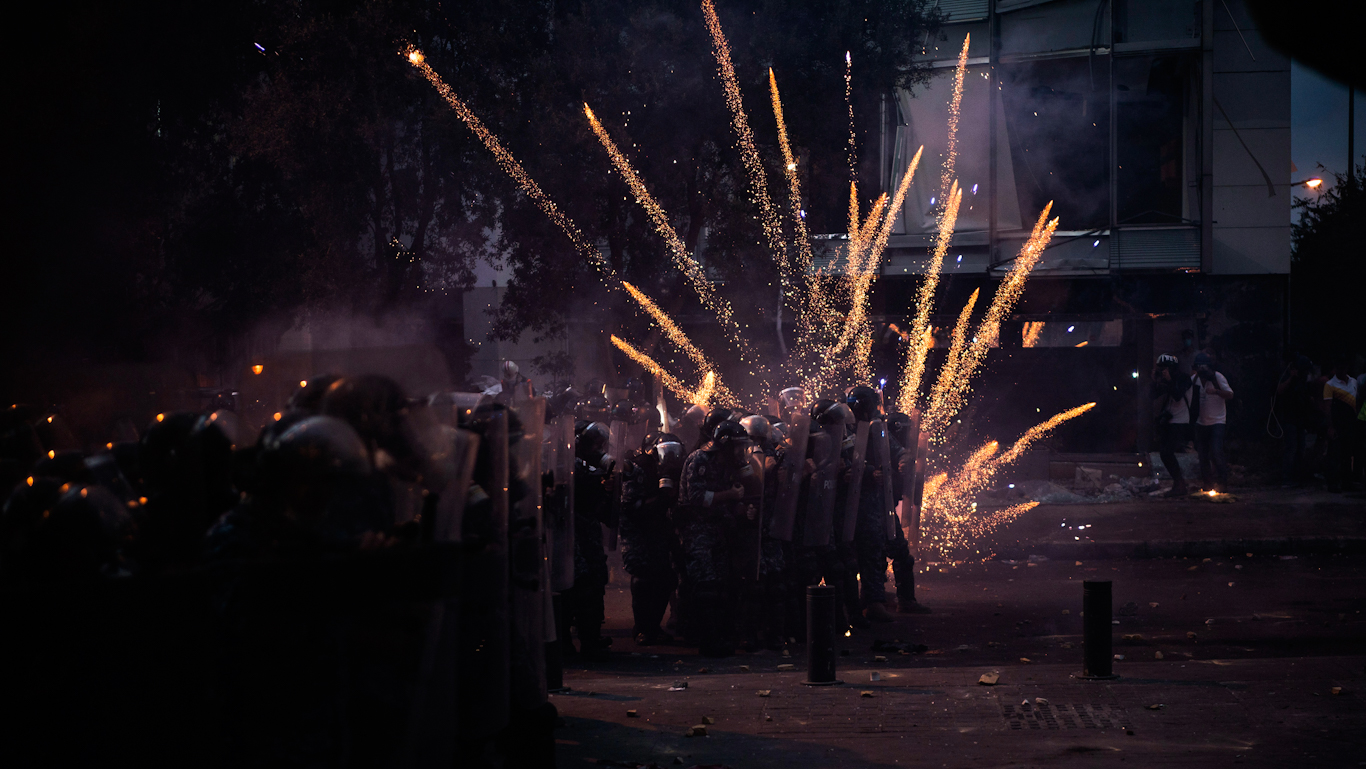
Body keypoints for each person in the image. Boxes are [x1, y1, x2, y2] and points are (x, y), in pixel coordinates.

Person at [676, 419, 753, 657]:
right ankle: (706, 640)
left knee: (722, 585)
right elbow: (696, 497)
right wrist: (729, 495)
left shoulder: (730, 464)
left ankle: (721, 636)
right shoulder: (700, 459)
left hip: (720, 529)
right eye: (738, 446)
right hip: (698, 530)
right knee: (705, 585)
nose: (741, 452)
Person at [619, 432, 684, 645]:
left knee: (666, 579)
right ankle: (642, 628)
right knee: (643, 579)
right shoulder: (640, 469)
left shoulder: (676, 470)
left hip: (660, 531)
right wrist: (659, 499)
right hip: (639, 533)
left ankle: (654, 626)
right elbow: (631, 507)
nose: (671, 457)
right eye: (666, 451)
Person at [1151, 354, 1194, 496]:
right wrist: (1155, 380)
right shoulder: (1167, 380)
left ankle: (1180, 484)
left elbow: (1177, 395)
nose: (1163, 371)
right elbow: (1153, 395)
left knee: (1167, 452)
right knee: (1165, 453)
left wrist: (1169, 380)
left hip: (1180, 421)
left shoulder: (1184, 378)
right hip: (1169, 420)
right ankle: (1178, 483)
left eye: (1165, 369)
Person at [1191, 352, 1234, 491]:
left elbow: (1230, 394)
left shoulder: (1218, 377)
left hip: (1217, 421)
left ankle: (1222, 482)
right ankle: (1207, 484)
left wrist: (1216, 391)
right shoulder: (1194, 379)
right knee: (1202, 455)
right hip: (1201, 422)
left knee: (1216, 451)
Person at [1273, 355, 1315, 485]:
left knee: (1300, 448)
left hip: (1300, 419)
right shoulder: (1289, 378)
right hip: (1290, 418)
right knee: (1291, 448)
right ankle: (1287, 477)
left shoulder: (1304, 382)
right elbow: (1279, 391)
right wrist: (1291, 377)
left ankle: (1298, 475)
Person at [1322, 356, 1359, 492]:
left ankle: (1346, 482)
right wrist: (1330, 426)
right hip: (1338, 424)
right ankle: (1332, 483)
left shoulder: (1354, 382)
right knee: (1334, 454)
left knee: (1347, 454)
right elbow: (1328, 407)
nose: (1341, 371)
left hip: (1350, 423)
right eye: (1339, 368)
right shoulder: (1330, 385)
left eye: (1343, 368)